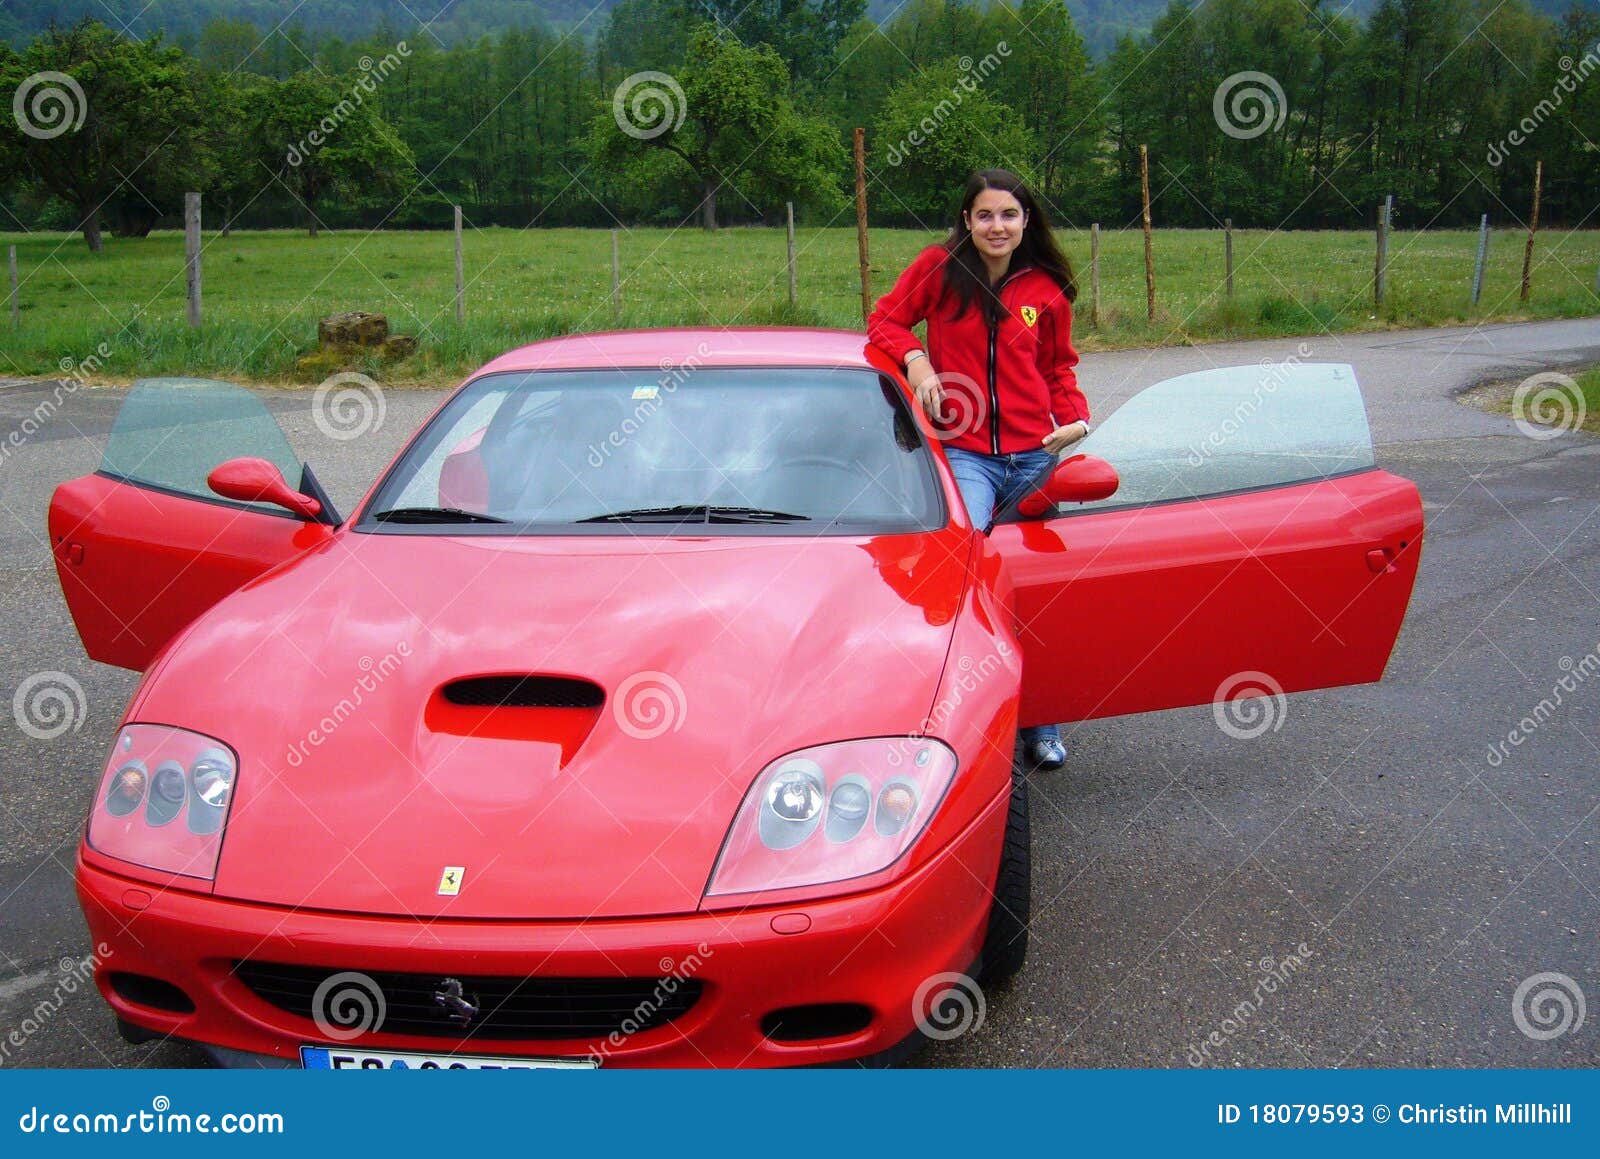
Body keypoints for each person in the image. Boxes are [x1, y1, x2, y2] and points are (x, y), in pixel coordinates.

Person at [867, 168, 1088, 771]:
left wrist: (1077, 421)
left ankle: (1042, 723)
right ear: (967, 220)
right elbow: (884, 321)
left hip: (1036, 455)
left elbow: (1059, 370)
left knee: (1035, 596)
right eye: (985, 215)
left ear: (1026, 223)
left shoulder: (1045, 289)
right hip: (967, 456)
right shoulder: (940, 269)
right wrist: (916, 360)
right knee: (962, 578)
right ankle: (952, 714)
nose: (997, 226)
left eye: (1009, 216)